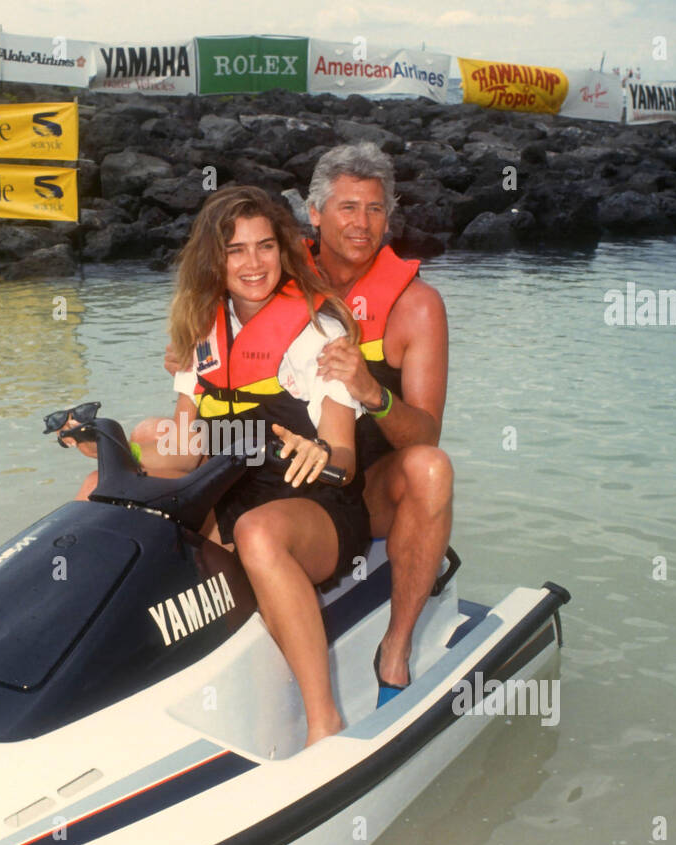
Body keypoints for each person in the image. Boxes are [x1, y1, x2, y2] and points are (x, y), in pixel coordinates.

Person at [67, 185, 371, 747]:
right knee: (98, 493)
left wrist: (322, 456)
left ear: (283, 250)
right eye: (235, 250)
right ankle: (86, 669)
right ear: (214, 258)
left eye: (264, 247)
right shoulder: (200, 328)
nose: (252, 263)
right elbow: (188, 444)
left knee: (257, 532)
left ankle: (324, 722)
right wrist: (107, 448)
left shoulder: (318, 334)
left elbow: (347, 460)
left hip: (316, 510)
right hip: (230, 493)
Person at [165, 143, 454, 707]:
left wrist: (372, 392)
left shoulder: (416, 307)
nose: (361, 223)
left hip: (357, 478)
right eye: (347, 208)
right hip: (265, 468)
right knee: (157, 472)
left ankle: (395, 648)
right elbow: (211, 331)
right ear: (314, 215)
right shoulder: (269, 269)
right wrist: (189, 364)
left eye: (374, 210)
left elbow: (426, 435)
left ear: (389, 219)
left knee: (432, 468)